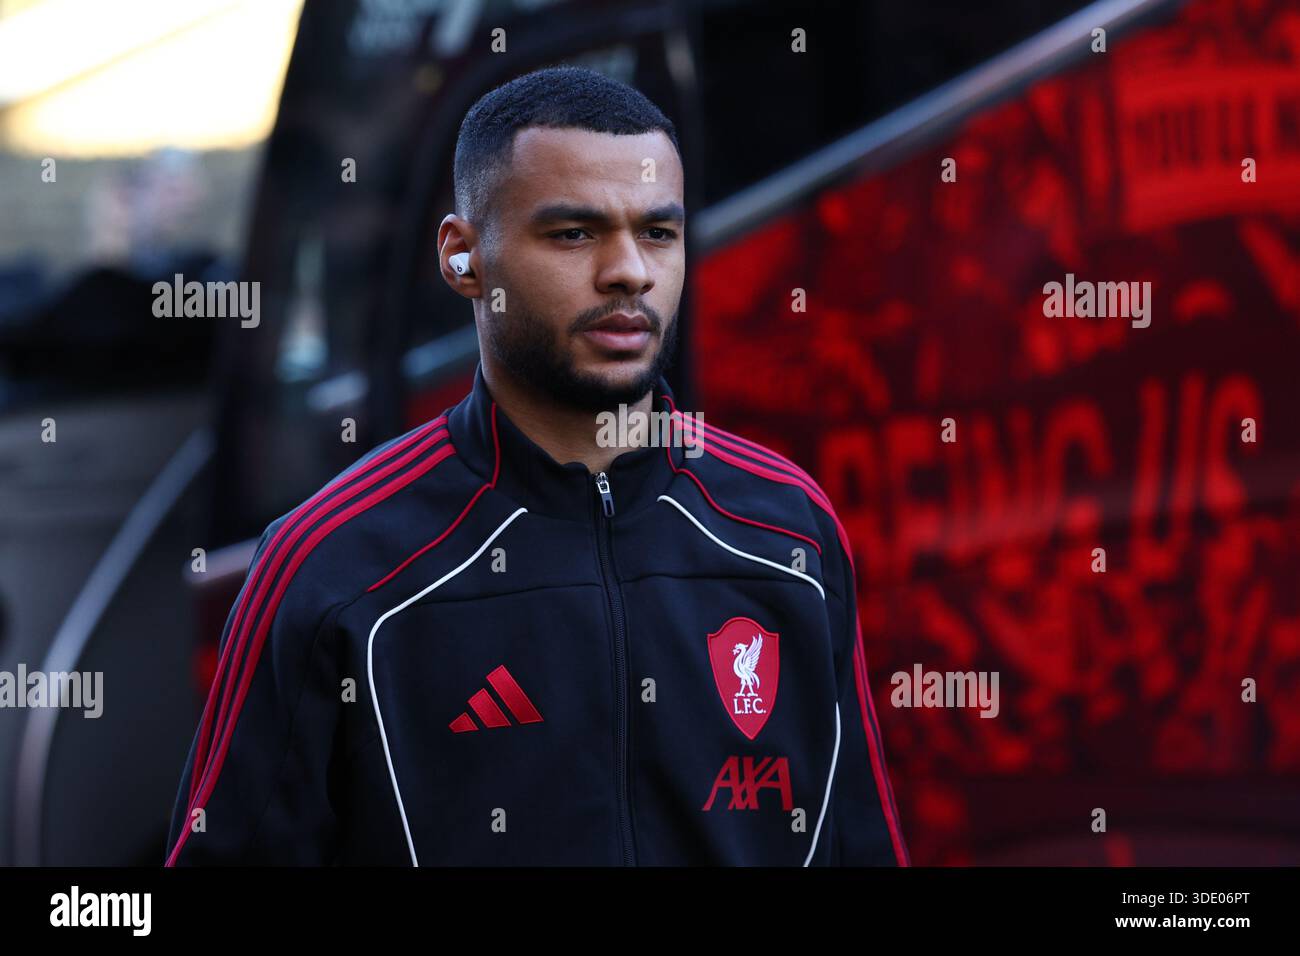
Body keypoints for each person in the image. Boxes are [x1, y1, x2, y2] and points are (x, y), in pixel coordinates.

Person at [164, 65, 909, 866]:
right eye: (574, 233)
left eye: (658, 232)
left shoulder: (785, 531)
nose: (630, 271)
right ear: (463, 257)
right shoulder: (331, 567)